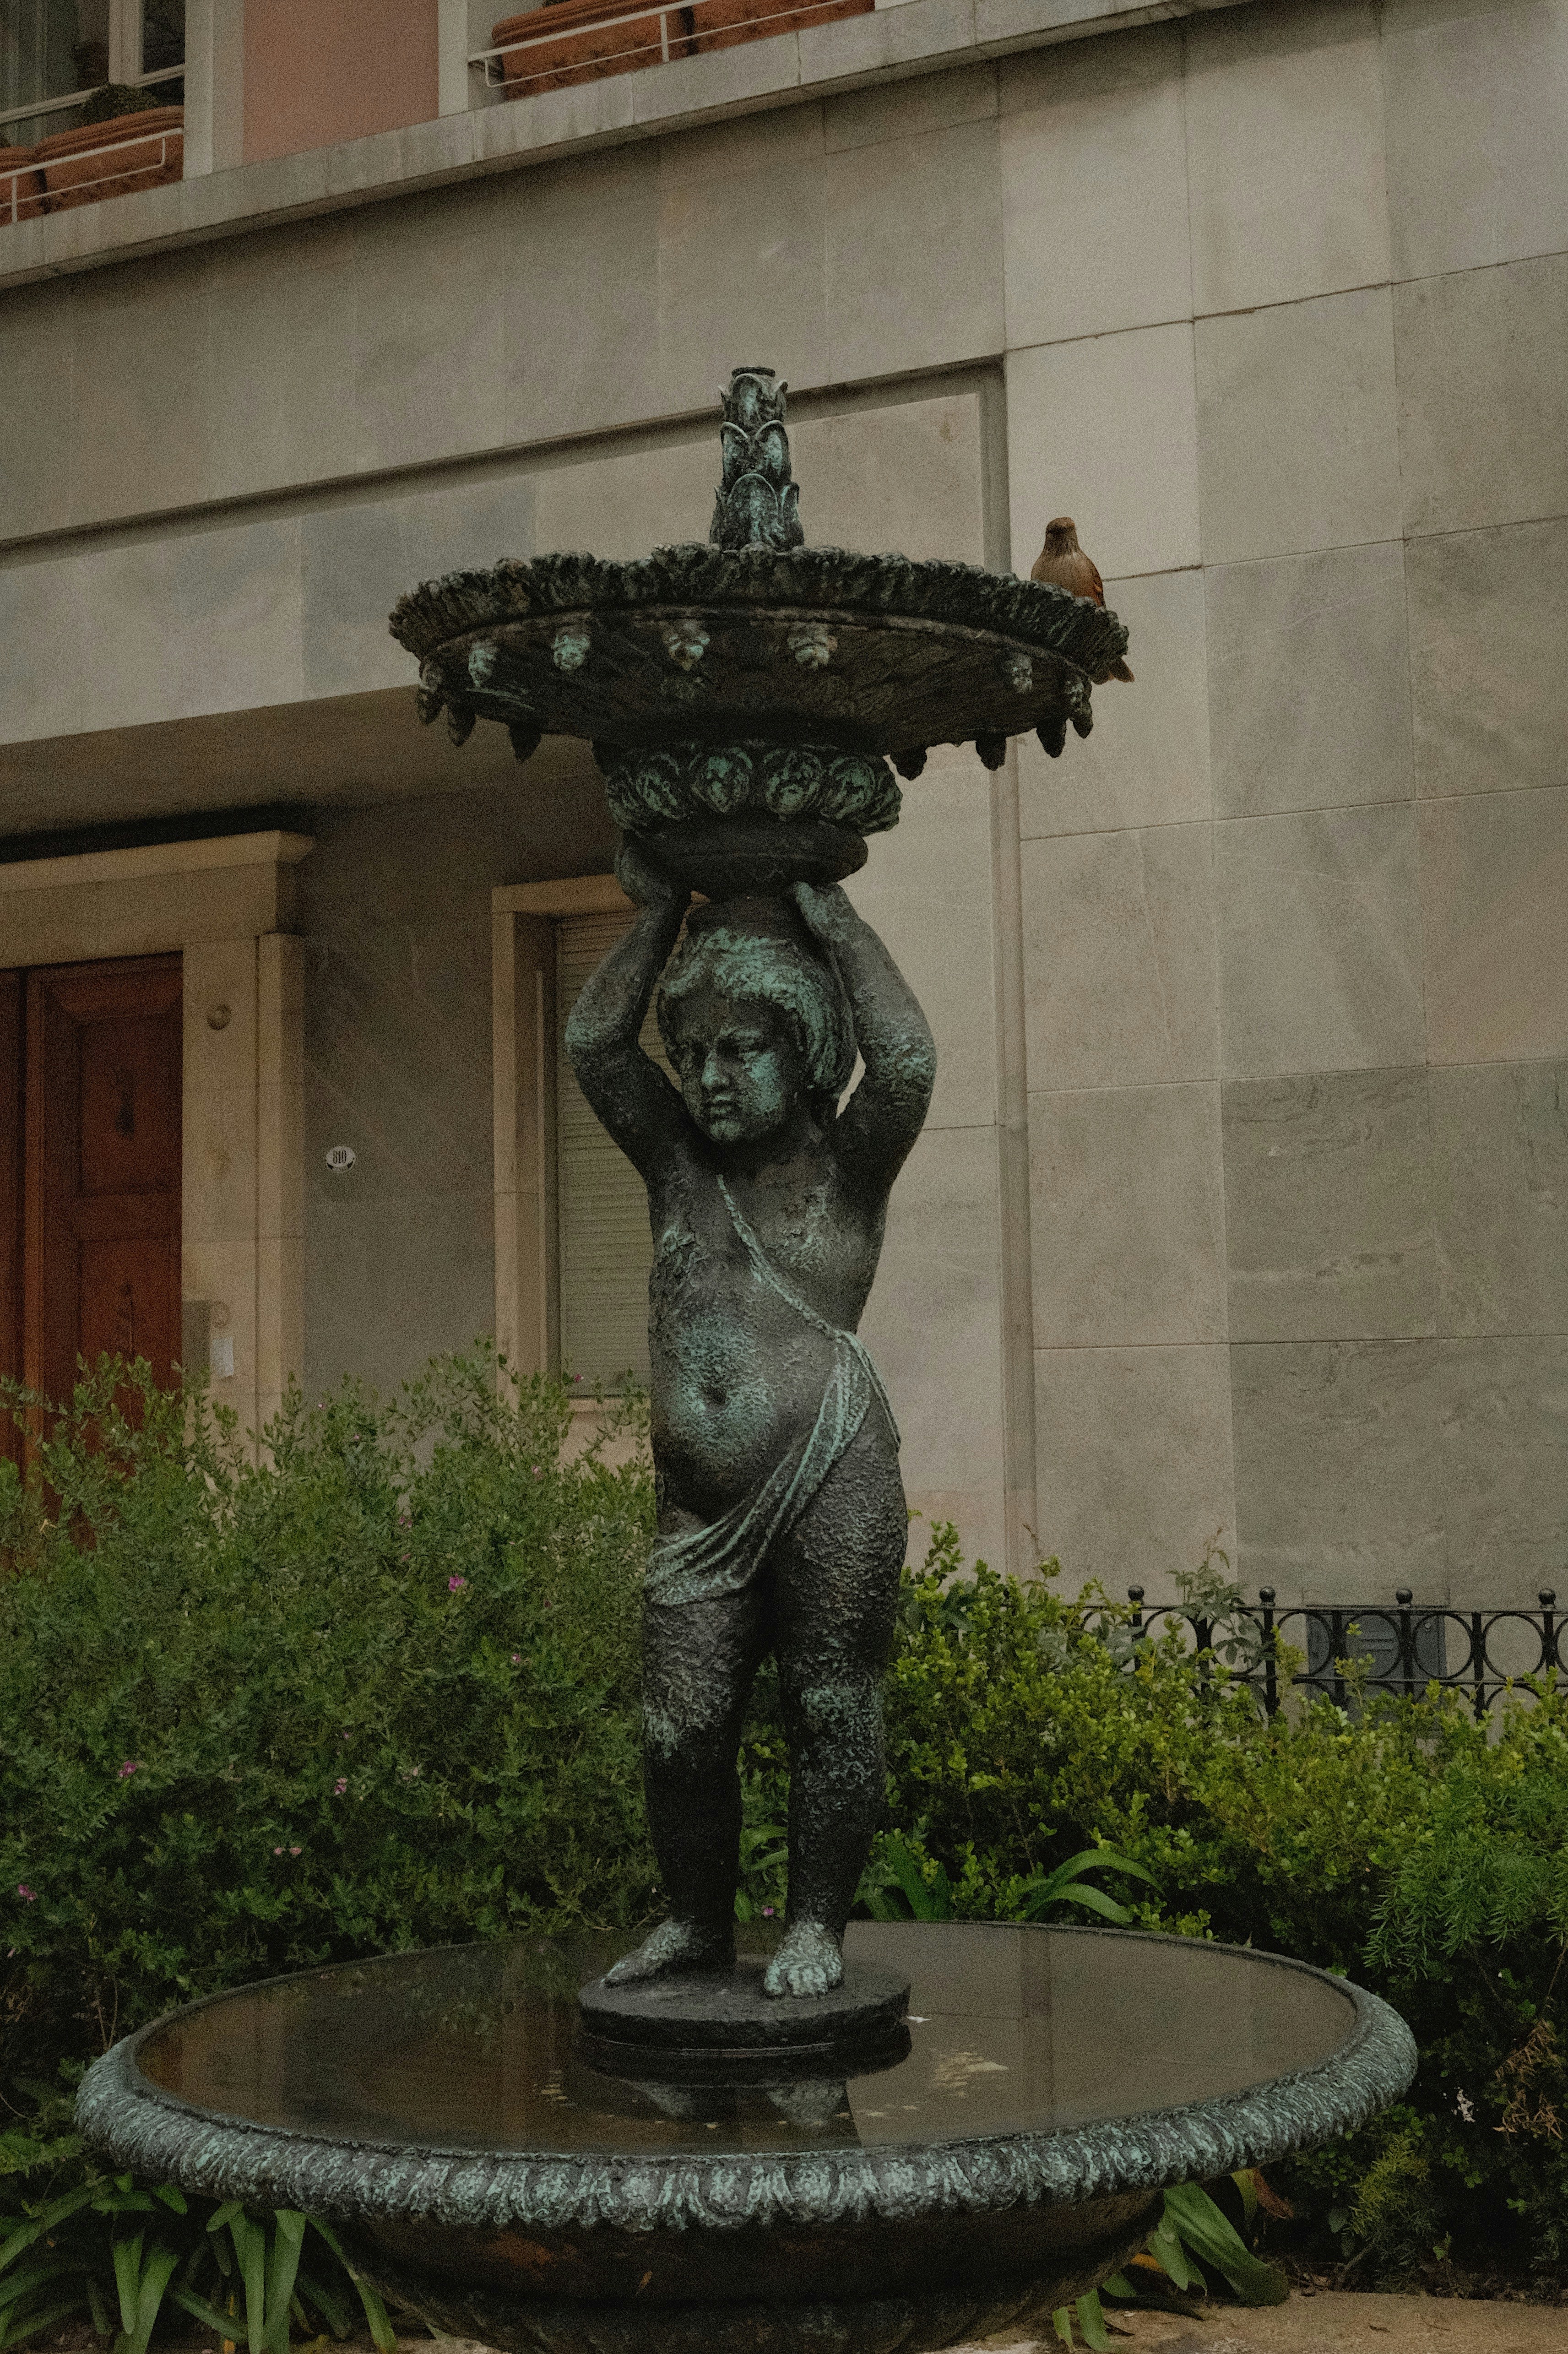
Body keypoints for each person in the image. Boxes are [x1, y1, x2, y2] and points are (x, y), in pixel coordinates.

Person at [565, 840, 936, 1997]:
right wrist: (661, 915)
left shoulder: (846, 1167)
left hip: (832, 1472)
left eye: (743, 1049)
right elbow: (593, 1046)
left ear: (801, 1050)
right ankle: (696, 1923)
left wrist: (837, 926)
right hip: (700, 1510)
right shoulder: (673, 1159)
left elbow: (910, 1062)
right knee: (681, 1731)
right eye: (697, 1052)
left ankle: (817, 1926)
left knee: (829, 1707)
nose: (713, 1075)